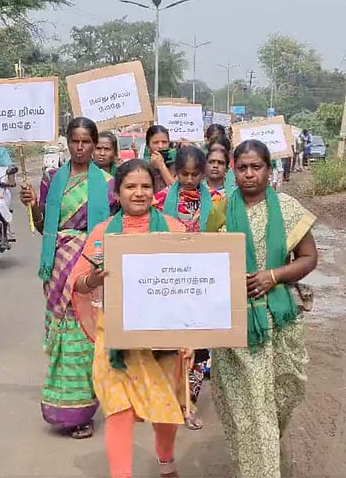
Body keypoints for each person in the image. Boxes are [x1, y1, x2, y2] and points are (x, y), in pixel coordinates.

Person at [69, 159, 191, 478]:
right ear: (118, 192)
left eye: (146, 186)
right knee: (118, 408)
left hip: (161, 337)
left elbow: (192, 287)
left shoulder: (175, 230)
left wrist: (191, 337)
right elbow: (78, 282)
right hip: (115, 338)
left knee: (164, 408)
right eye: (131, 187)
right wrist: (94, 280)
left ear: (155, 190)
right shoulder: (101, 234)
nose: (139, 193)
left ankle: (165, 461)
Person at [206, 139, 318, 478]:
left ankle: (264, 447)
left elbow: (309, 258)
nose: (249, 174)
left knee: (283, 396)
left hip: (280, 319)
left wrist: (273, 275)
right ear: (232, 171)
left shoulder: (286, 208)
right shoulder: (220, 210)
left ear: (269, 170)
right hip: (238, 325)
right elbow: (203, 262)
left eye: (256, 167)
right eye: (242, 168)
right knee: (254, 411)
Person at [18, 117, 115, 439]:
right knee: (62, 335)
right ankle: (60, 406)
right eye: (74, 141)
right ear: (67, 143)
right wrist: (32, 205)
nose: (80, 147)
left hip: (89, 264)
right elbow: (44, 222)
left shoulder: (107, 183)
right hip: (58, 263)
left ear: (95, 144)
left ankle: (83, 412)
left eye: (86, 142)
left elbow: (112, 229)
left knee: (83, 338)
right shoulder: (52, 180)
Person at [152, 146, 214, 430]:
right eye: (184, 174)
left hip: (201, 283)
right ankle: (167, 401)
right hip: (168, 280)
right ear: (174, 172)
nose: (189, 180)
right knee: (169, 344)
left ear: (203, 173)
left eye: (195, 174)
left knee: (198, 346)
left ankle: (189, 404)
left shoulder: (216, 201)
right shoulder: (161, 199)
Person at [143, 125, 176, 193]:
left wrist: (162, 166)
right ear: (148, 147)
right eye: (155, 143)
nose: (160, 146)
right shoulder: (142, 167)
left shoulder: (177, 166)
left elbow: (177, 192)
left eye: (164, 142)